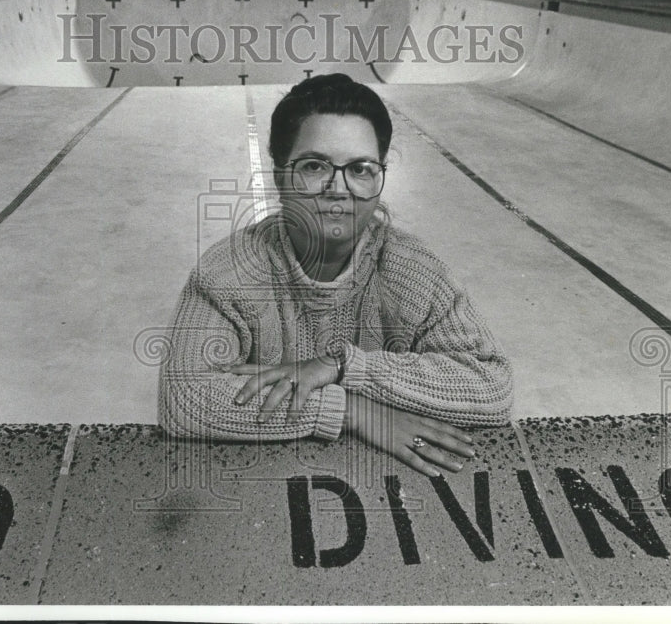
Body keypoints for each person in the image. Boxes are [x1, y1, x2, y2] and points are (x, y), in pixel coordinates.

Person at [158, 73, 512, 477]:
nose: (338, 189)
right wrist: (354, 411)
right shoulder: (231, 270)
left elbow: (493, 386)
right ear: (279, 176)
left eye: (360, 169)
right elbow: (184, 398)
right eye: (314, 165)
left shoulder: (413, 271)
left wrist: (345, 367)